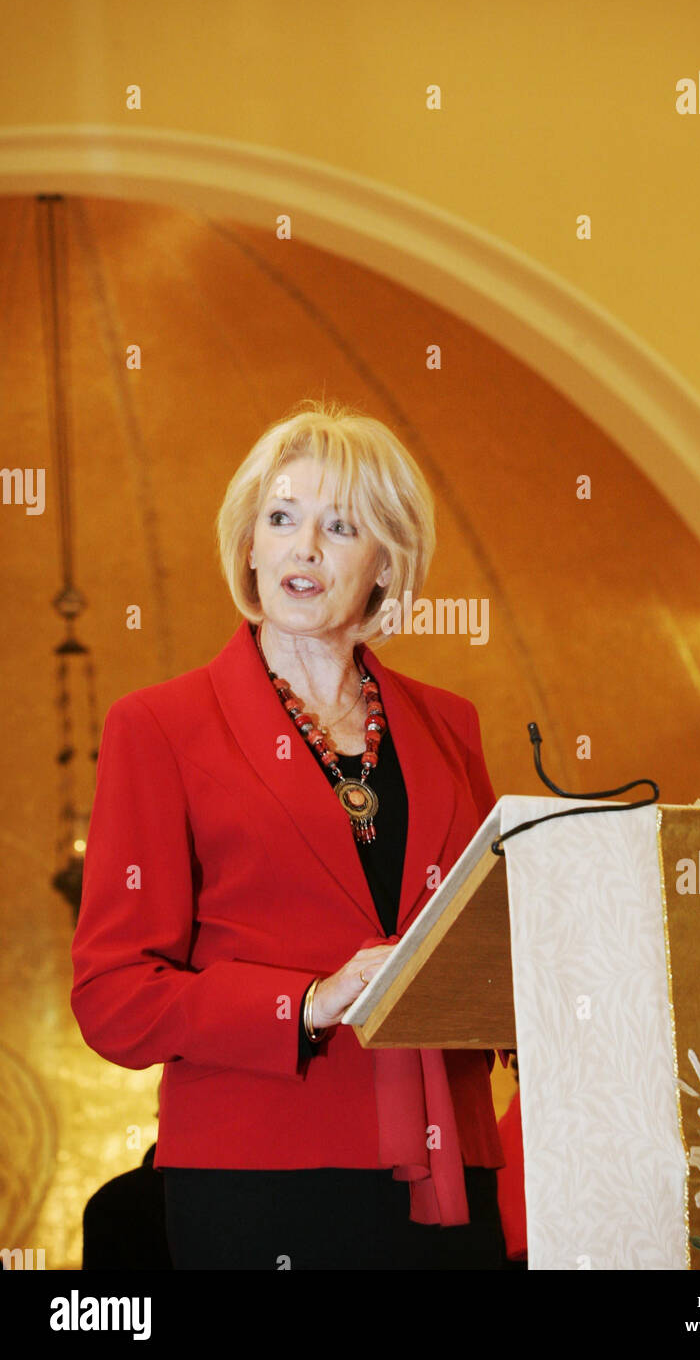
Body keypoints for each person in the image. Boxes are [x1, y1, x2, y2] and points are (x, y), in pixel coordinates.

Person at [70, 400, 508, 1269]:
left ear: (388, 564)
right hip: (263, 1183)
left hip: (456, 1169)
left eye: (340, 526)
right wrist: (307, 1002)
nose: (303, 548)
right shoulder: (158, 726)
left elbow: (490, 947)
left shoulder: (451, 726)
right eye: (281, 519)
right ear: (249, 547)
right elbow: (114, 997)